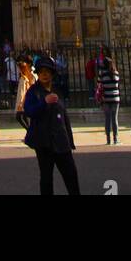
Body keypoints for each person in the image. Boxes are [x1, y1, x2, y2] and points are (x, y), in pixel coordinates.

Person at [23, 54, 80, 196]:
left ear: (52, 74)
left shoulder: (58, 90)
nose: (44, 75)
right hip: (44, 142)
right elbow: (29, 111)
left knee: (71, 175)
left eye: (47, 72)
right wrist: (44, 102)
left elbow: (64, 117)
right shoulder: (33, 92)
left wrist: (70, 141)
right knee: (47, 178)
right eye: (41, 72)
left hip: (61, 141)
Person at [97, 49, 121, 145]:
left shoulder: (102, 74)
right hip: (115, 98)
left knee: (107, 119)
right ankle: (115, 138)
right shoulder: (116, 73)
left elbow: (99, 84)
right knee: (114, 118)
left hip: (106, 98)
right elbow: (117, 85)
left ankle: (108, 139)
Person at [15, 58, 35, 131]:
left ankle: (30, 131)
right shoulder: (25, 78)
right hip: (25, 101)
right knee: (25, 118)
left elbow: (22, 92)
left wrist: (20, 104)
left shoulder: (23, 79)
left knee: (19, 117)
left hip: (23, 102)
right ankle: (30, 131)